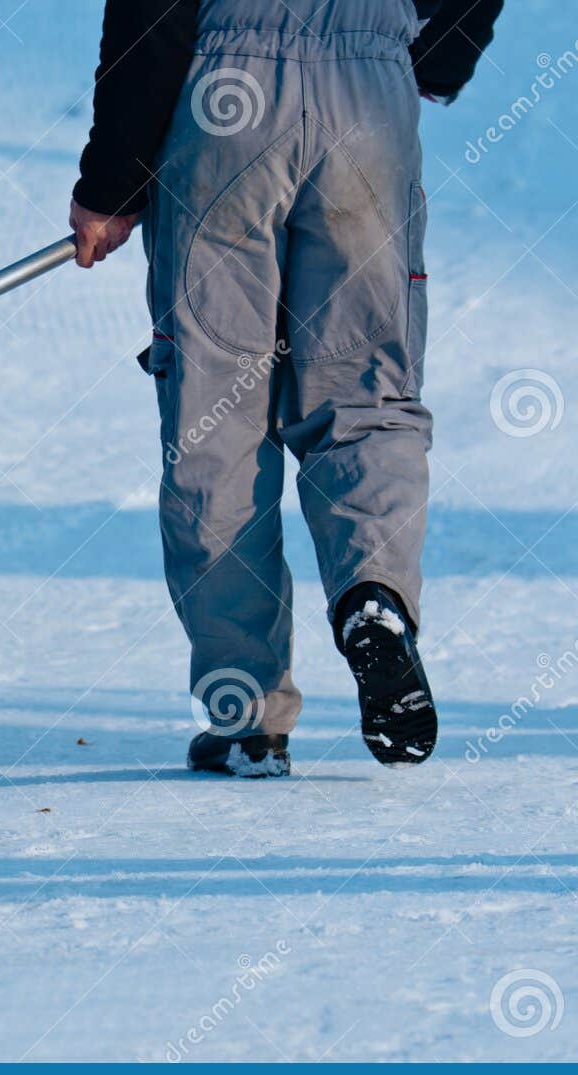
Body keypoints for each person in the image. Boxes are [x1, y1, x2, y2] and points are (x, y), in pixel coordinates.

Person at [69, 0, 503, 776]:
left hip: (227, 96)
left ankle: (247, 714)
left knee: (216, 416)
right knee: (366, 390)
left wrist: (112, 178)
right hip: (370, 92)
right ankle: (374, 595)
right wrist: (434, 53)